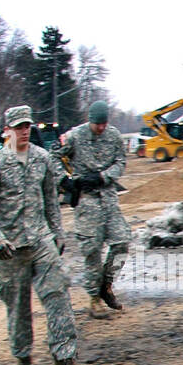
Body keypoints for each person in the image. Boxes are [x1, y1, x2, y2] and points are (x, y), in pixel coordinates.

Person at [0, 105, 82, 365]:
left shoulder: (42, 159)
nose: (24, 131)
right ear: (7, 131)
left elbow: (51, 201)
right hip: (11, 249)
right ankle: (23, 358)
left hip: (41, 241)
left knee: (58, 295)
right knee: (18, 305)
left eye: (27, 126)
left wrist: (58, 234)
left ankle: (64, 358)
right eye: (19, 127)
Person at [61, 100, 128, 320]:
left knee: (122, 241)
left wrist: (103, 176)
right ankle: (94, 299)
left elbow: (120, 162)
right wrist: (65, 181)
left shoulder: (114, 136)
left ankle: (105, 286)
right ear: (90, 120)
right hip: (86, 200)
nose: (101, 127)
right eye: (97, 123)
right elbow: (52, 157)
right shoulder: (74, 136)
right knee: (92, 250)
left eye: (104, 123)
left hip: (108, 196)